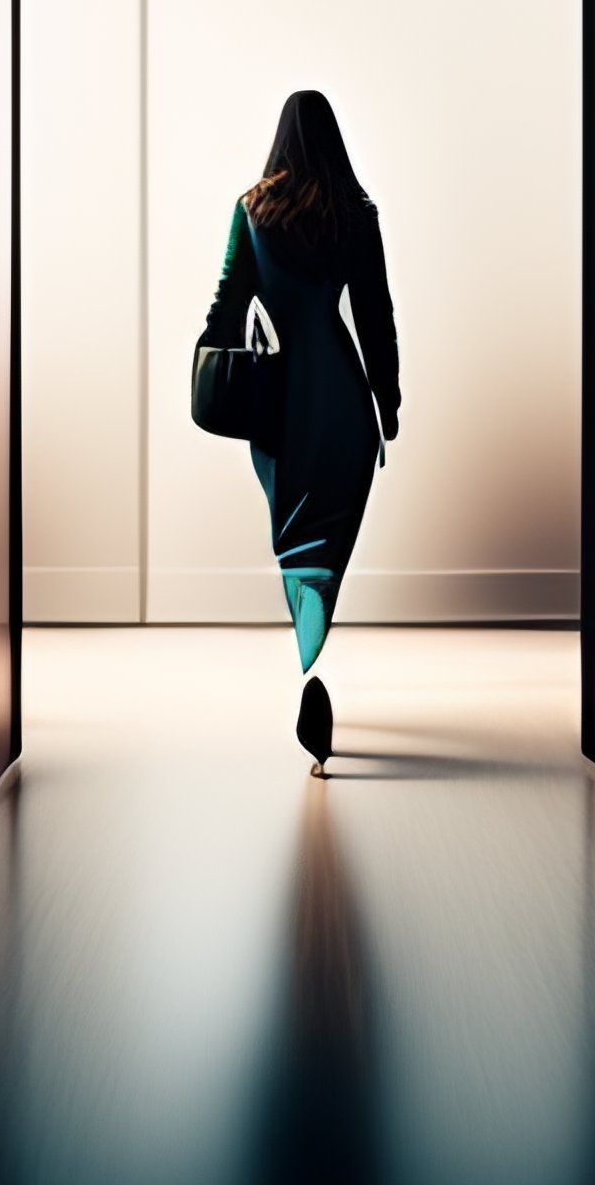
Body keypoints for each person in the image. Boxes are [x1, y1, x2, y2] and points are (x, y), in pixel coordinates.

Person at [200, 90, 401, 776]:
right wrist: (389, 400)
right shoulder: (357, 214)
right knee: (328, 544)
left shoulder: (253, 210)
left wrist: (210, 371)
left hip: (277, 406)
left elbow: (227, 304)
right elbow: (375, 316)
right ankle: (314, 671)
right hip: (343, 401)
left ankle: (308, 671)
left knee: (295, 542)